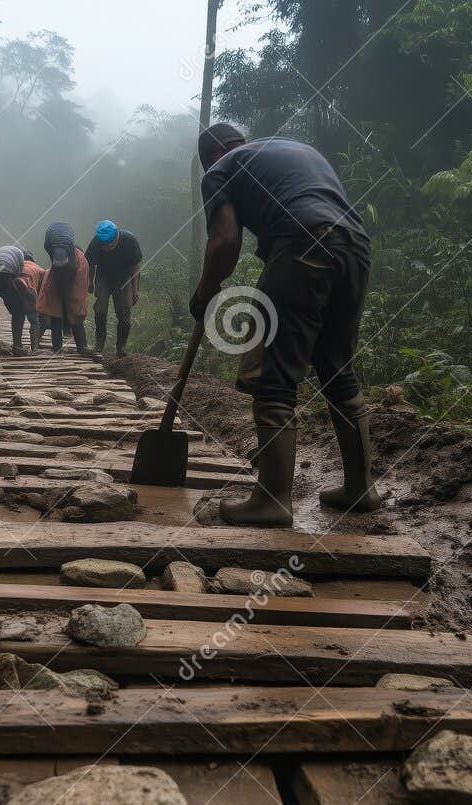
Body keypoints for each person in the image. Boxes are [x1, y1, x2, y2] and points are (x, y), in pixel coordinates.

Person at [191, 123, 378, 527]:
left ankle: (272, 501)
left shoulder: (220, 169)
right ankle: (361, 489)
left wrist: (205, 292)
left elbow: (224, 242)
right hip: (356, 246)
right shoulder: (294, 149)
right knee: (338, 369)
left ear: (214, 153)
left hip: (304, 241)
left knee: (277, 374)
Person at [85, 220, 142, 356]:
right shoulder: (96, 243)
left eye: (110, 245)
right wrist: (90, 282)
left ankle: (121, 348)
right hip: (103, 277)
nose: (107, 248)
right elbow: (90, 264)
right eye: (104, 245)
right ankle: (99, 345)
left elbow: (135, 268)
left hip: (124, 278)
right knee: (100, 309)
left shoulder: (129, 241)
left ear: (117, 236)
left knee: (124, 312)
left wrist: (135, 291)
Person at [35, 221, 91, 354]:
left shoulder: (80, 261)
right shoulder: (54, 254)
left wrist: (69, 299)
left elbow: (78, 288)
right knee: (55, 310)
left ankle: (81, 347)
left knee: (74, 309)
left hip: (75, 276)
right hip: (58, 273)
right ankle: (58, 347)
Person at [0, 245, 38, 355]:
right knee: (18, 311)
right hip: (5, 274)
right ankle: (17, 345)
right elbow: (17, 279)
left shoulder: (0, 250)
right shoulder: (20, 255)